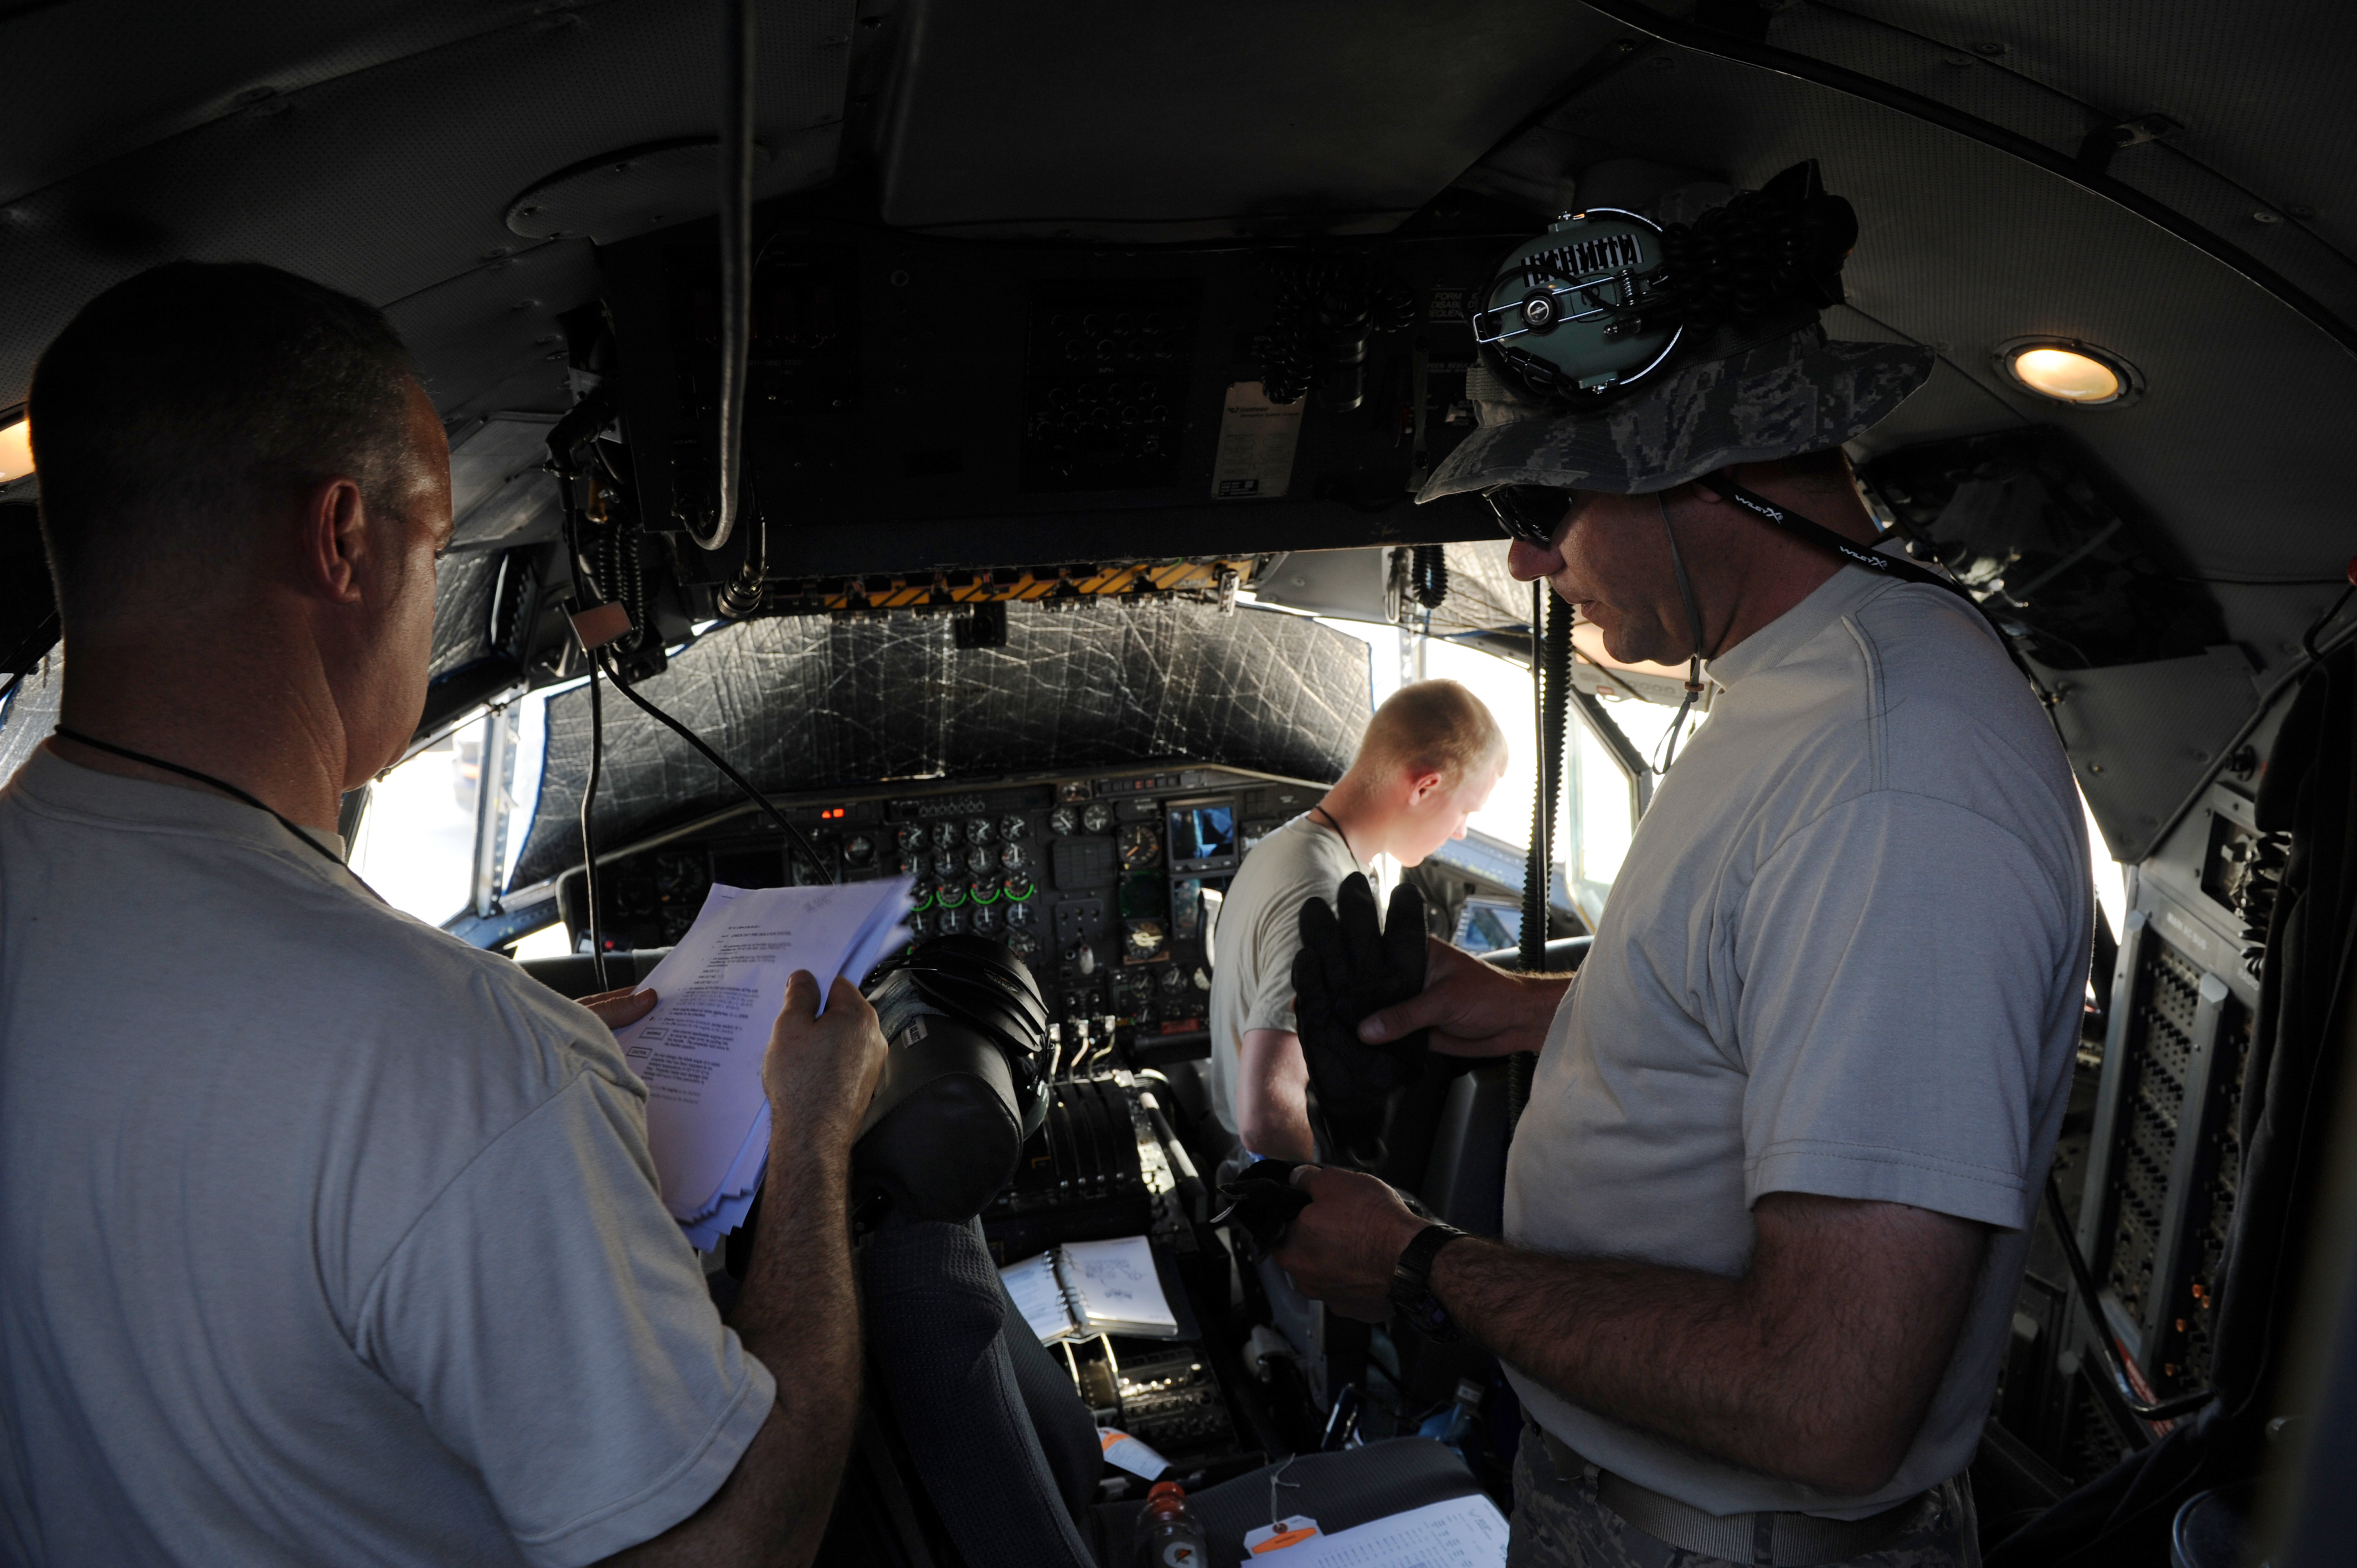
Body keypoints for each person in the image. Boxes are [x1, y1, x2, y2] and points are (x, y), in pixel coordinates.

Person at [0, 262, 883, 1567]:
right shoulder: (458, 1059)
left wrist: (505, 1107)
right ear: (345, 537)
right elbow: (730, 1549)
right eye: (439, 545)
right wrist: (812, 1137)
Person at [1270, 176, 2092, 1566]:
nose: (1526, 558)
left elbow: (1827, 1399)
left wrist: (1419, 1262)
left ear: (1707, 479)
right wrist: (1543, 1008)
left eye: (1545, 497)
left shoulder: (1895, 781)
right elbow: (1774, 991)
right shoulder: (1806, 686)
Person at [1207, 678, 1506, 1166]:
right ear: (1425, 786)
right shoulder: (1323, 892)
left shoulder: (1289, 843)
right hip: (1280, 1178)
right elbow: (1266, 1117)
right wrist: (1334, 1210)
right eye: (1465, 811)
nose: (1460, 832)